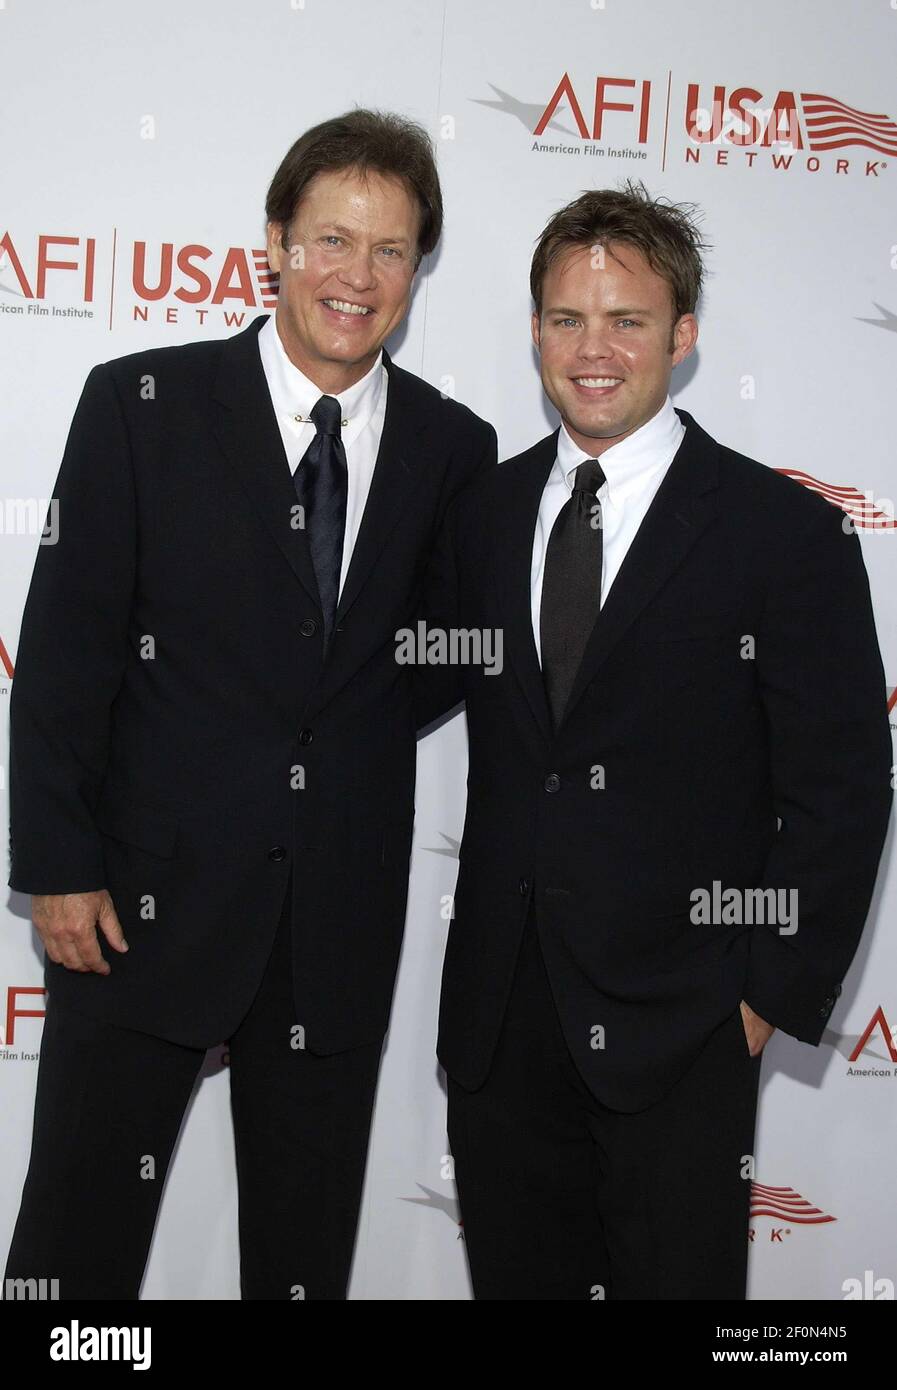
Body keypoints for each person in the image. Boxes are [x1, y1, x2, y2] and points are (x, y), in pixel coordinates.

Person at [4, 108, 496, 1300]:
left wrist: (343, 713)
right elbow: (65, 649)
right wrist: (59, 864)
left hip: (331, 918)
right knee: (75, 1258)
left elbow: (447, 652)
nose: (356, 276)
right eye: (332, 240)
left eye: (389, 251)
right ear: (273, 243)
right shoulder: (141, 405)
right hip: (132, 905)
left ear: (417, 269)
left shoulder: (454, 447)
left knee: (301, 1258)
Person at [423, 181, 892, 1299]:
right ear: (536, 329)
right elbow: (395, 688)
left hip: (686, 1029)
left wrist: (763, 995)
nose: (595, 350)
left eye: (627, 320)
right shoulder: (481, 516)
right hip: (500, 1027)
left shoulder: (784, 535)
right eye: (567, 319)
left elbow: (842, 789)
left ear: (682, 338)